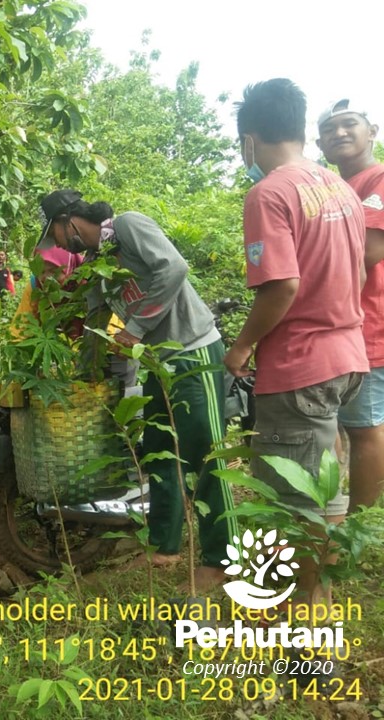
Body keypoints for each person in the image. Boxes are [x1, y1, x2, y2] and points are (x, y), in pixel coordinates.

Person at [38, 188, 237, 588]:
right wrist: (83, 375)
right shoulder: (98, 265)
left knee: (204, 454)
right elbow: (96, 318)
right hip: (158, 362)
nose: (58, 245)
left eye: (56, 235)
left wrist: (135, 328)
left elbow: (173, 268)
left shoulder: (127, 226)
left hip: (192, 351)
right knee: (160, 454)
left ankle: (221, 557)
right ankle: (165, 544)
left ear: (70, 222)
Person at [225, 79, 367, 605]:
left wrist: (240, 347)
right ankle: (315, 597)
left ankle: (309, 617)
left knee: (294, 497)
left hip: (301, 365)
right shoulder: (337, 188)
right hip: (347, 357)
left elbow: (283, 285)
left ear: (249, 139)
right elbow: (354, 274)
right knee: (326, 477)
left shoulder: (270, 193)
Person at [316, 98, 384, 513]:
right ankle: (344, 508)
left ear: (371, 130)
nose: (339, 133)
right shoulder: (335, 187)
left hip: (368, 324)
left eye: (349, 124)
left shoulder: (378, 179)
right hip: (340, 328)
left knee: (365, 428)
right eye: (329, 128)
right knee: (343, 425)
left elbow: (369, 252)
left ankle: (362, 524)